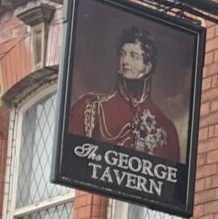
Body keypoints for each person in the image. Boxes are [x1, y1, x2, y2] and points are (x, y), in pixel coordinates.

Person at [70, 25, 182, 160]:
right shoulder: (89, 106)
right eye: (123, 54)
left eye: (134, 56)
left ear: (148, 66)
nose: (125, 61)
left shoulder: (166, 128)